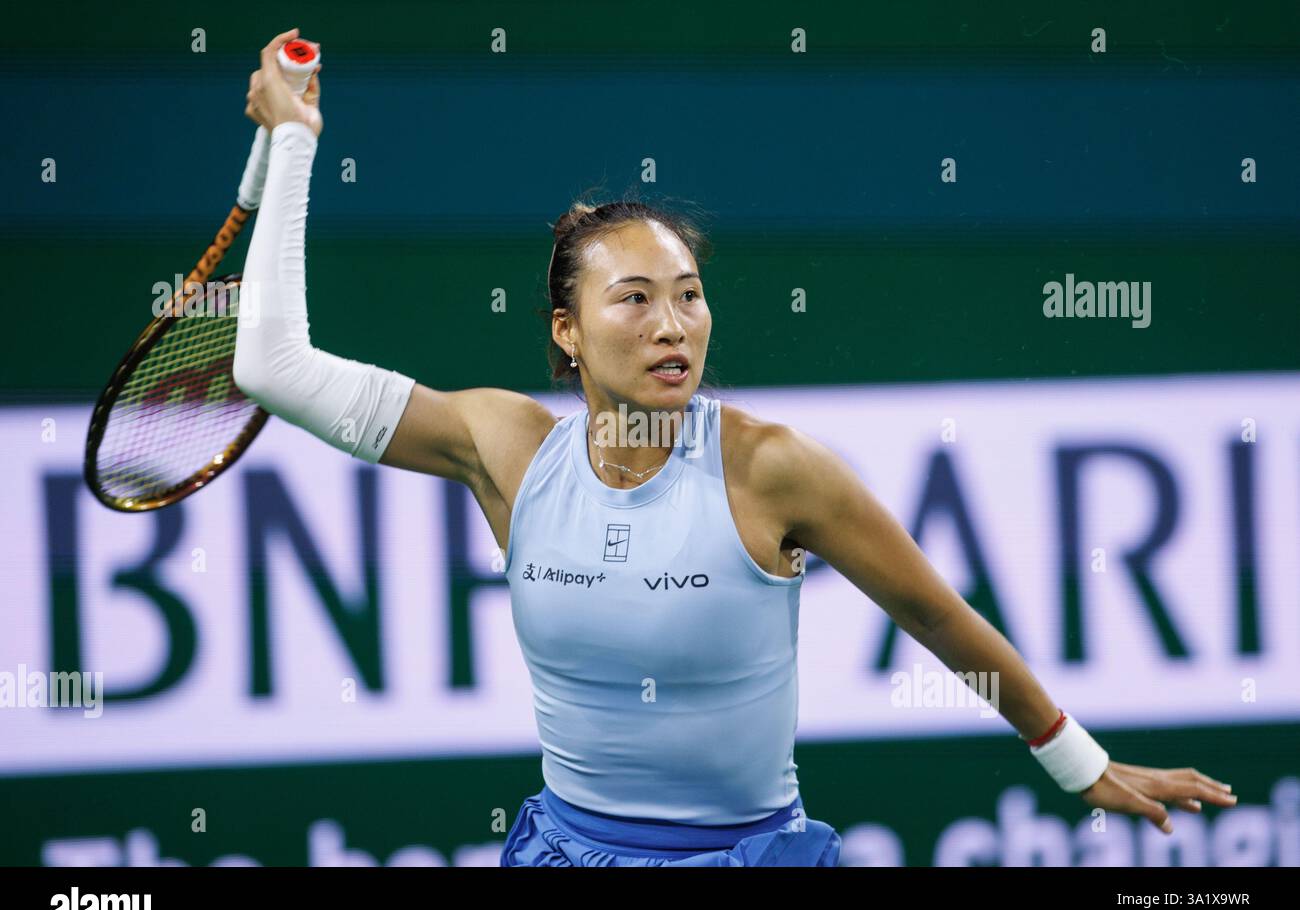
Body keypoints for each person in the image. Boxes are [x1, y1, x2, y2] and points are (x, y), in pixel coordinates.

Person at [235, 29, 1238, 867]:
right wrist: (294, 140)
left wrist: (1077, 762)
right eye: (632, 300)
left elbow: (932, 612)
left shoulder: (770, 468)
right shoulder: (502, 446)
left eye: (688, 296)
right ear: (565, 331)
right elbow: (271, 366)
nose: (673, 324)